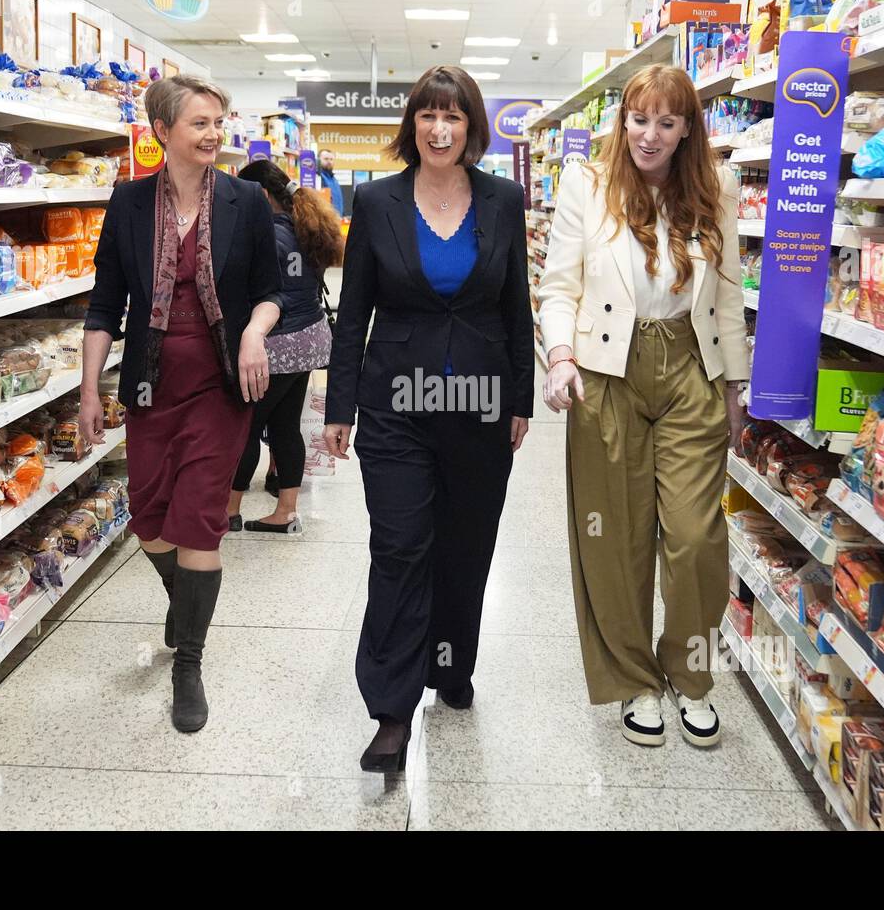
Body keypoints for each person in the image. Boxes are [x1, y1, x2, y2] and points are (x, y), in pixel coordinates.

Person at [324, 65, 533, 773]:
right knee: (401, 545)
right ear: (411, 125)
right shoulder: (376, 200)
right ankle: (390, 708)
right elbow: (352, 314)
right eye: (427, 117)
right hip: (395, 407)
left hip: (479, 402)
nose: (440, 130)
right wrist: (338, 407)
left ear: (472, 127)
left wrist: (522, 399)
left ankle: (451, 661)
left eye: (454, 117)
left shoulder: (504, 200)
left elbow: (516, 307)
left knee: (465, 547)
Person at [537, 64, 749, 749]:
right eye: (638, 119)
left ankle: (690, 673)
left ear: (689, 127)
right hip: (607, 370)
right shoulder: (587, 184)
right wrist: (560, 354)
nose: (648, 136)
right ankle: (633, 680)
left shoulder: (716, 188)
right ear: (621, 120)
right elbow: (559, 284)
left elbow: (728, 294)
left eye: (665, 121)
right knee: (616, 538)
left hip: (691, 366)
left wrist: (736, 385)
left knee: (693, 536)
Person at [81, 75, 283, 734]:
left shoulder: (247, 200)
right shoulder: (130, 203)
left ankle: (188, 664)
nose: (213, 134)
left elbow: (271, 289)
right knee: (148, 518)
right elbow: (106, 302)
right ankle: (183, 598)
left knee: (200, 518)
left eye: (218, 122)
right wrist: (90, 389)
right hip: (150, 379)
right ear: (162, 132)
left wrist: (256, 331)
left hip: (223, 381)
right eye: (200, 123)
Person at [227, 159, 344, 532]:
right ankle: (286, 512)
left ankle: (227, 512)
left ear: (260, 195)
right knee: (284, 427)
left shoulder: (266, 235)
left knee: (245, 427)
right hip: (309, 338)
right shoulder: (307, 225)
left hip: (276, 342)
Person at [317, 149, 345, 216]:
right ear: (318, 160)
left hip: (337, 219)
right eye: (326, 159)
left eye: (331, 159)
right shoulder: (318, 178)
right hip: (327, 220)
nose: (329, 162)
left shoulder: (334, 179)